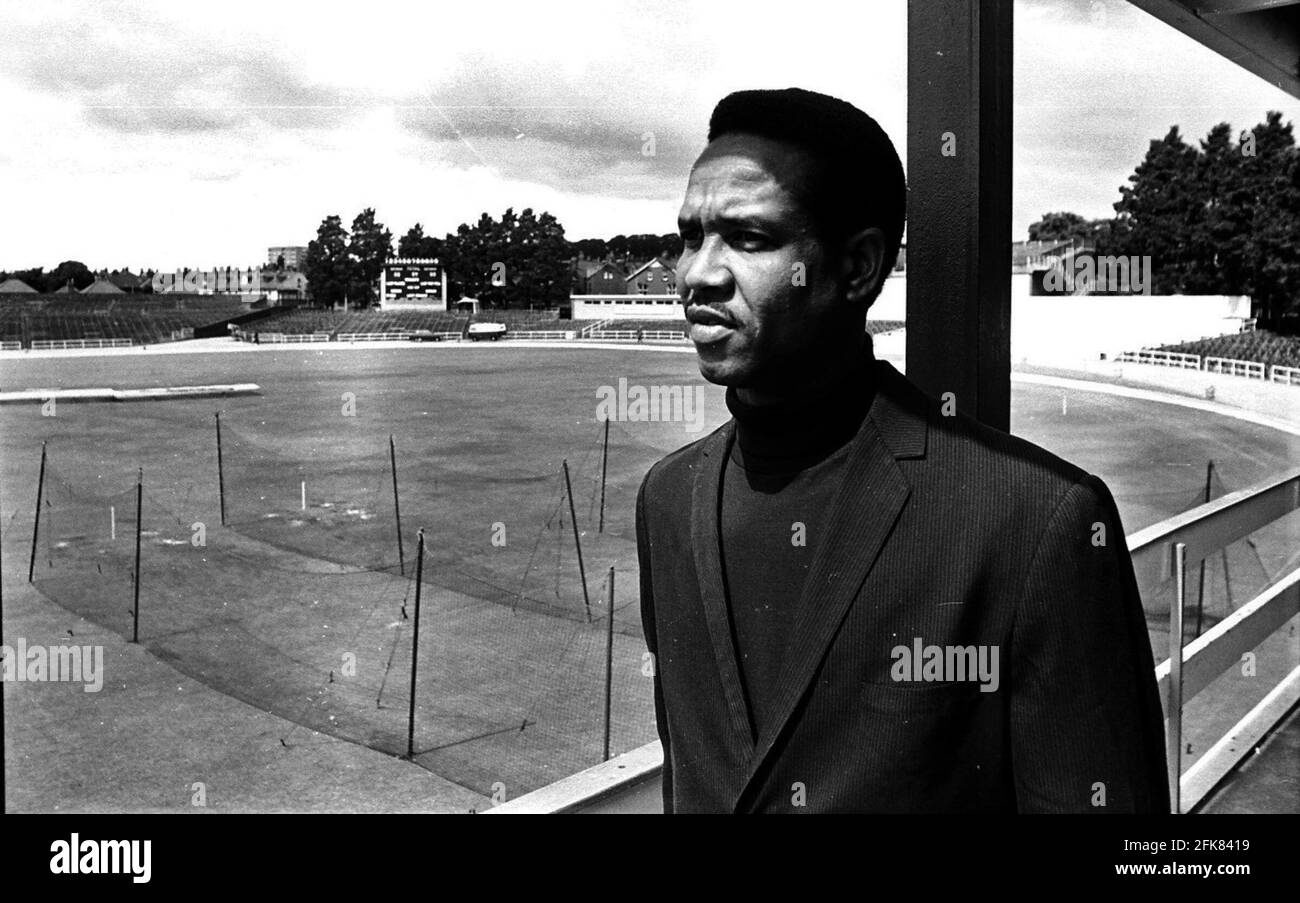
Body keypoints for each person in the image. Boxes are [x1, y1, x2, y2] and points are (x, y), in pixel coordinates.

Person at [635, 87, 1169, 813]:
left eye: (750, 238)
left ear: (859, 266)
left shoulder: (1036, 521)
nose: (699, 273)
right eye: (691, 237)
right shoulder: (667, 498)